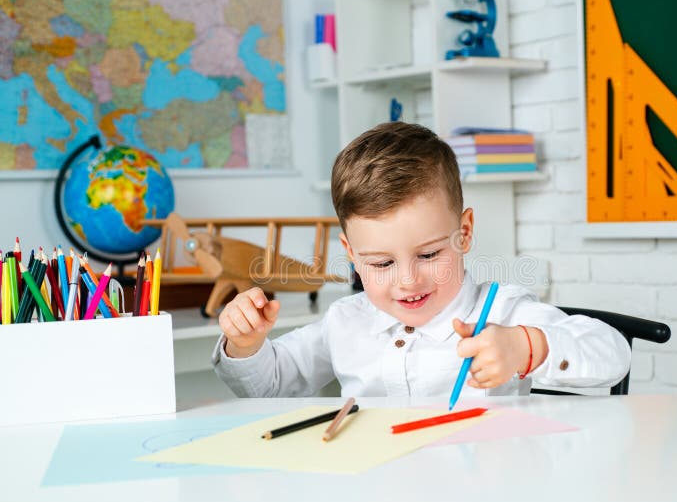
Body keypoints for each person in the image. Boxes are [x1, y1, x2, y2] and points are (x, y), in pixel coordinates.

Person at [212, 122, 630, 397]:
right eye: (381, 263)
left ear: (463, 233)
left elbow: (612, 355)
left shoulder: (502, 310)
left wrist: (528, 346)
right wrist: (245, 345)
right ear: (352, 255)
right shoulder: (345, 322)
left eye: (429, 254)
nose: (408, 280)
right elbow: (269, 388)